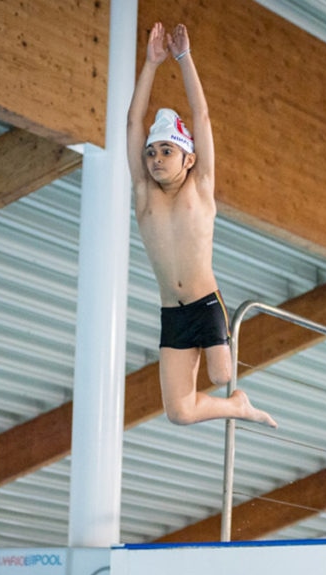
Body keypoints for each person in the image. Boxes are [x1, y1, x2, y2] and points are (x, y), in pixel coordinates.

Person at [127, 22, 277, 428]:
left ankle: (233, 395)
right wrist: (149, 65)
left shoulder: (201, 188)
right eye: (152, 153)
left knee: (221, 375)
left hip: (205, 302)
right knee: (178, 412)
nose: (156, 159)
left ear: (189, 158)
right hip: (171, 314)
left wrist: (182, 58)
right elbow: (132, 122)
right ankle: (236, 407)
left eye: (167, 151)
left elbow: (203, 116)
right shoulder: (145, 196)